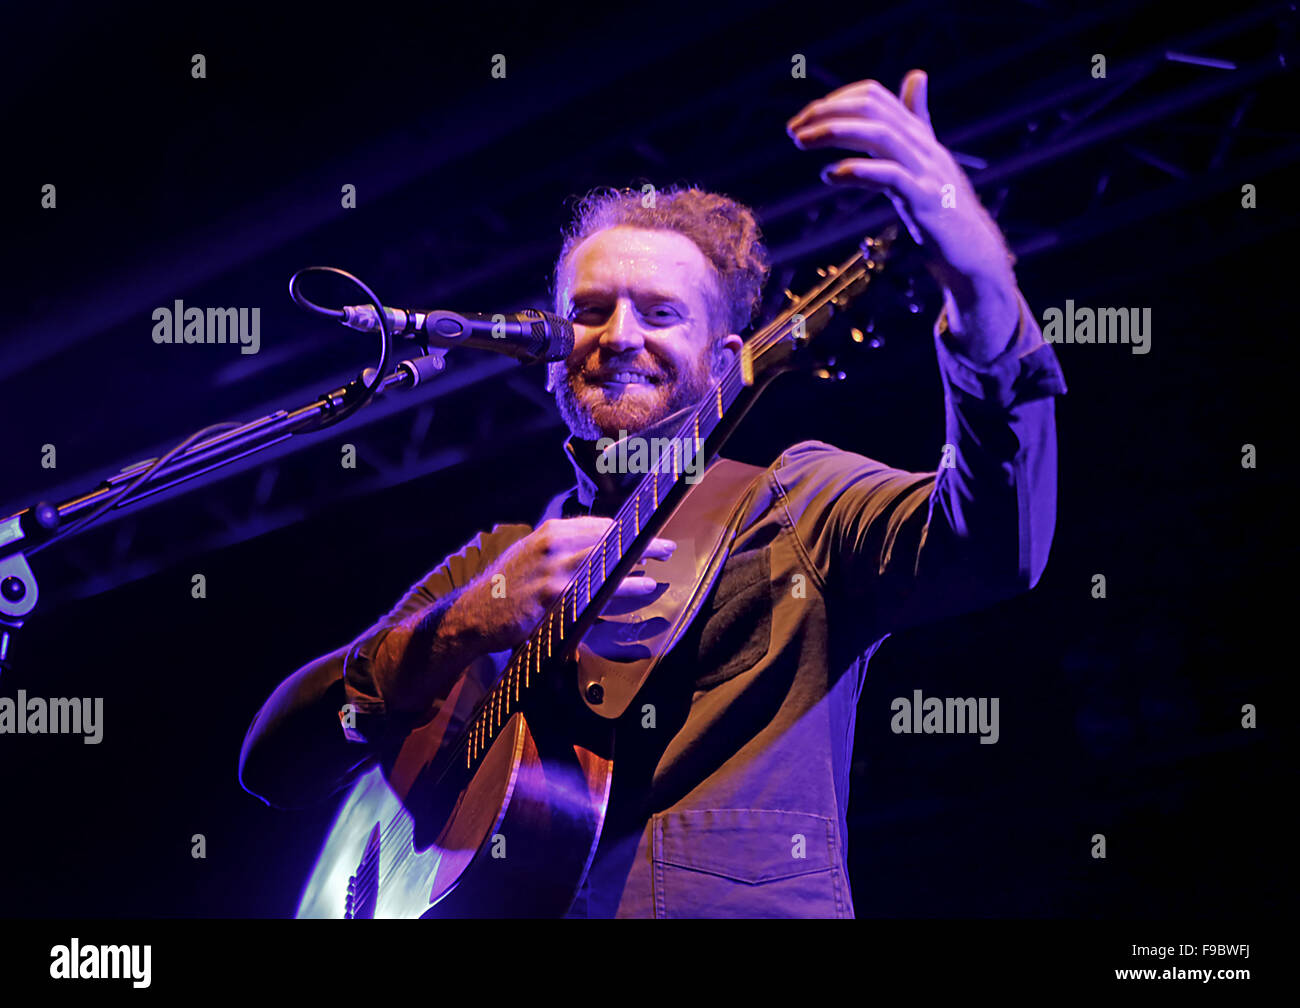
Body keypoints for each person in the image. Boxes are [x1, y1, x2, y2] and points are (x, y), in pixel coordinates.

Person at [239, 69, 1067, 917]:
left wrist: (982, 289)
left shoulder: (797, 503)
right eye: (589, 311)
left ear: (726, 355)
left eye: (661, 313)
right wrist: (465, 623)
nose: (618, 336)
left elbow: (996, 546)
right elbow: (274, 764)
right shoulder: (503, 559)